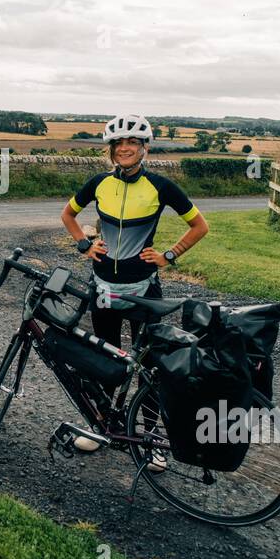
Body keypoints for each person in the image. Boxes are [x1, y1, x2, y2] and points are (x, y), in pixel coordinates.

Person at [60, 113, 210, 453]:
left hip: (144, 290)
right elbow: (68, 215)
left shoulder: (160, 186)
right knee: (106, 358)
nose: (125, 148)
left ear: (144, 148)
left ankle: (152, 439)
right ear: (111, 149)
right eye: (119, 143)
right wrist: (84, 245)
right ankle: (102, 426)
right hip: (104, 287)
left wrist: (169, 255)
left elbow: (200, 226)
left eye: (132, 142)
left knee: (149, 367)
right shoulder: (99, 183)